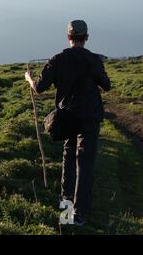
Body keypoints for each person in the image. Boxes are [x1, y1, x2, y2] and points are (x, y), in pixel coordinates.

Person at [24, 20, 111, 226]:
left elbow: (39, 88)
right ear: (86, 37)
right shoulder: (93, 59)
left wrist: (28, 78)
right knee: (85, 163)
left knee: (69, 159)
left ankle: (66, 207)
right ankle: (79, 215)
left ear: (68, 37)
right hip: (90, 117)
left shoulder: (57, 60)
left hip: (67, 118)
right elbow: (106, 85)